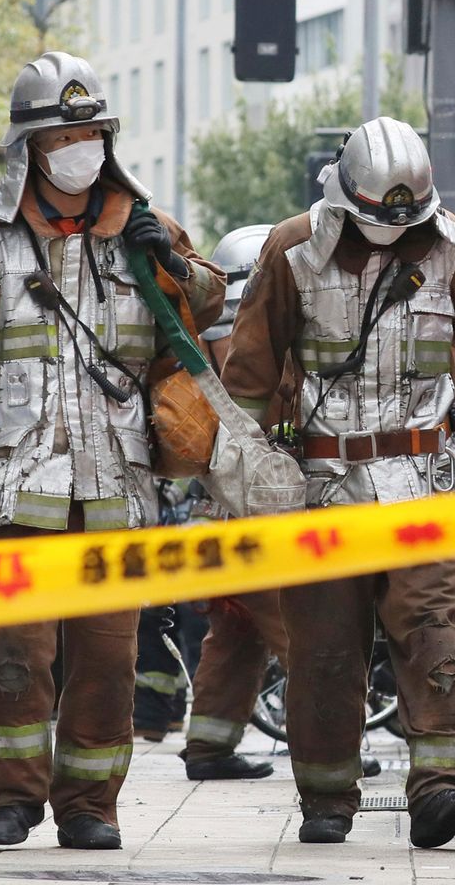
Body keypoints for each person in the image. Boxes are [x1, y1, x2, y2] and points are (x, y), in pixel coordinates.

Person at [0, 51, 222, 851]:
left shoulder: (148, 233)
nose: (79, 149)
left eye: (90, 134)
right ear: (31, 149)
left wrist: (172, 264)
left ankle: (90, 806)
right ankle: (12, 798)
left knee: (108, 663)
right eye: (62, 136)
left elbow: (213, 306)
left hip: (117, 489)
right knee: (10, 655)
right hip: (14, 489)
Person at [223, 116, 455, 849]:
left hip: (426, 482)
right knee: (325, 649)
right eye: (378, 218)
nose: (393, 230)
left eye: (406, 218)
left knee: (437, 630)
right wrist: (240, 472)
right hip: (324, 487)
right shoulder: (293, 251)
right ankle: (327, 797)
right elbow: (250, 372)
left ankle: (443, 785)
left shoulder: (451, 247)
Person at [176, 223, 294, 781]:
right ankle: (327, 744)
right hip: (256, 514)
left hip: (221, 512)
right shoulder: (249, 340)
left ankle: (209, 746)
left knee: (236, 636)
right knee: (302, 632)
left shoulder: (203, 342)